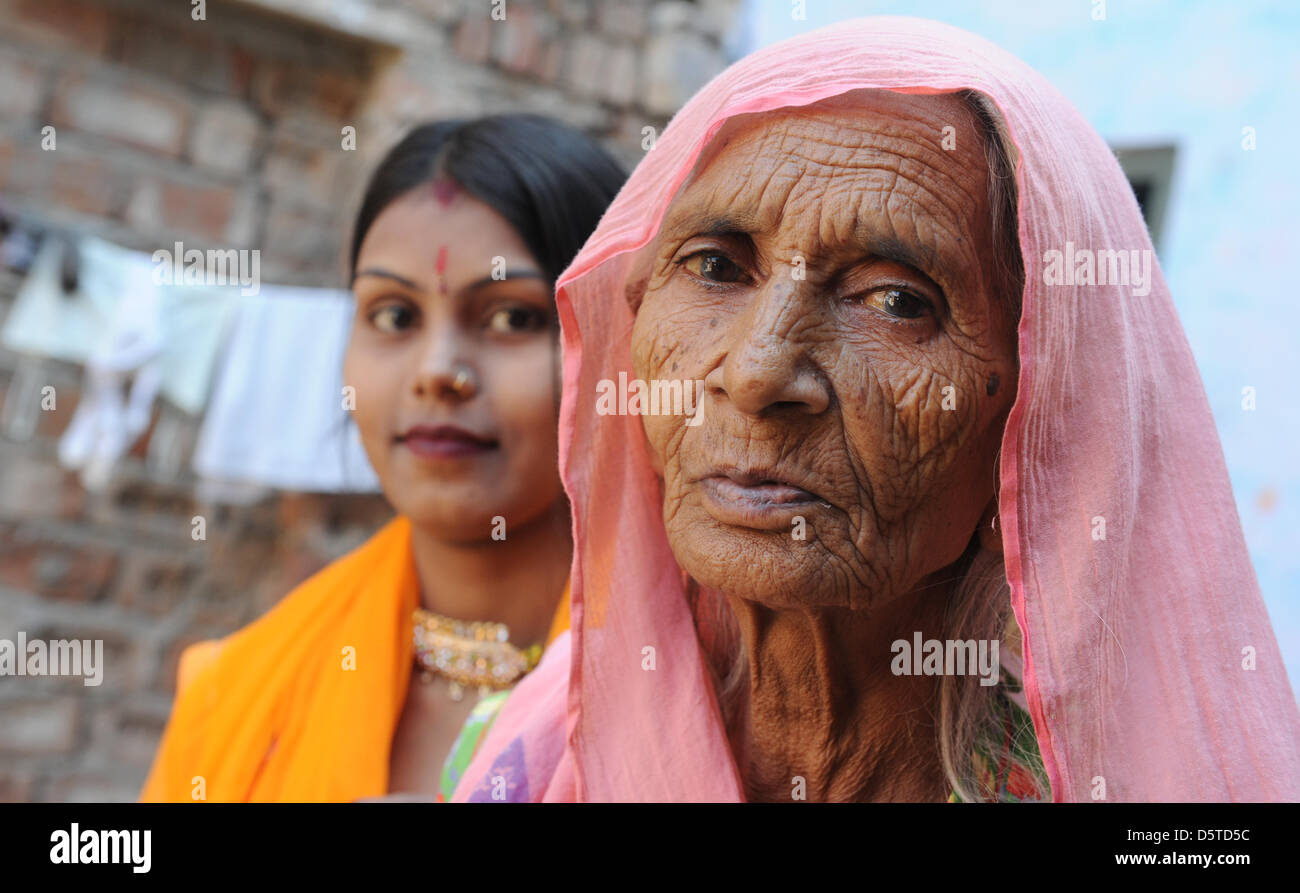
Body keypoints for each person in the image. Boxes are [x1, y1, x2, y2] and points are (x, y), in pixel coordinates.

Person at [450, 18, 1300, 802]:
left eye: (896, 301)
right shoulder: (529, 749)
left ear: (1044, 415)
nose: (756, 373)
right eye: (714, 267)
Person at [140, 114, 625, 802]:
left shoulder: (720, 683)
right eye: (394, 315)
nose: (437, 372)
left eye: (512, 316)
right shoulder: (237, 691)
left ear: (622, 345)